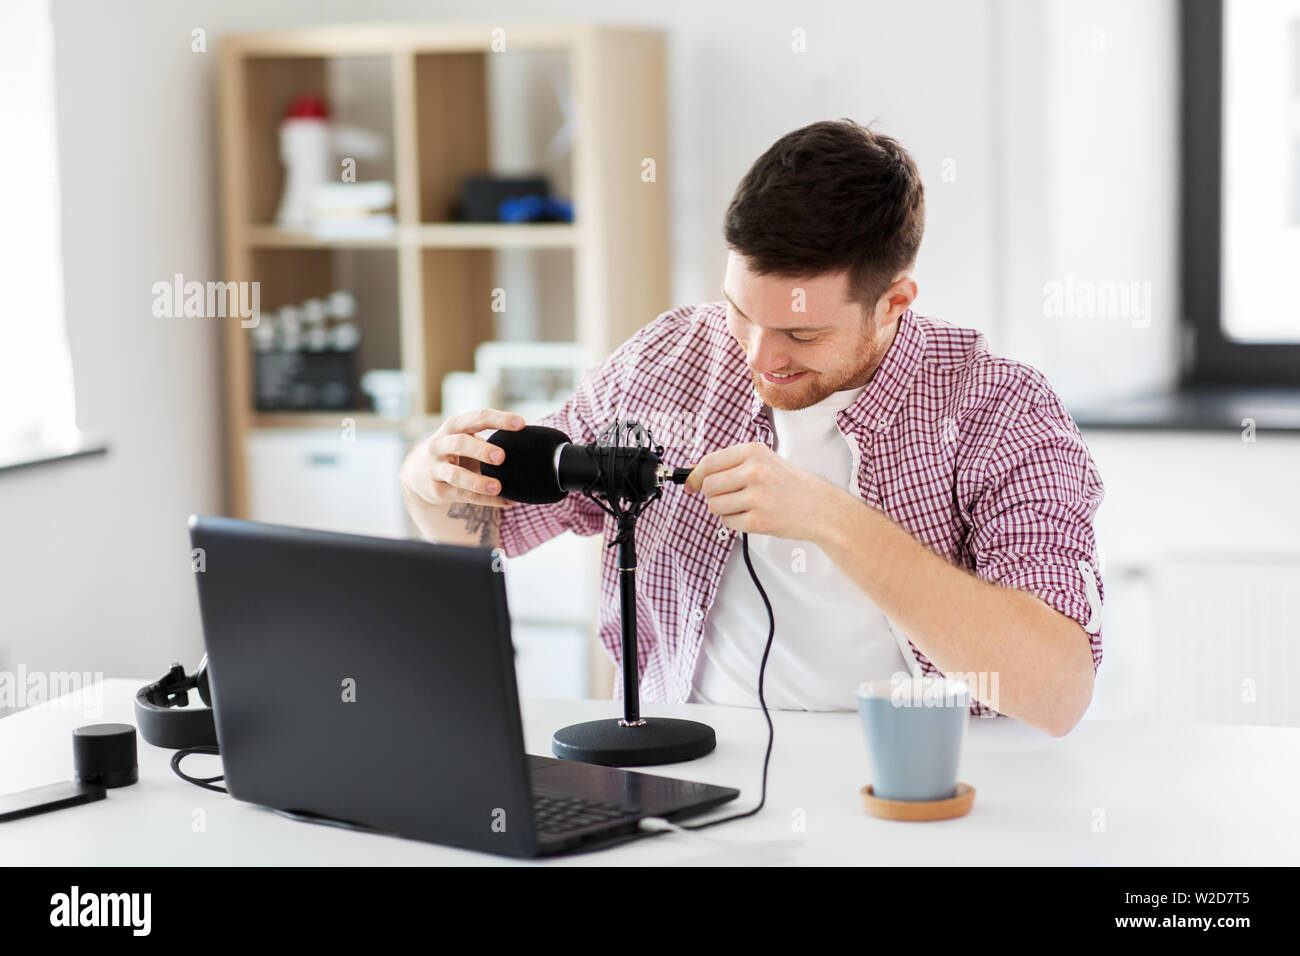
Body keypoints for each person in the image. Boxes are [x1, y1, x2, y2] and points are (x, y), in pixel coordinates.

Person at [401, 119, 1104, 736]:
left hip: (917, 779)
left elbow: (1056, 690)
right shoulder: (669, 358)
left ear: (893, 303)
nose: (758, 357)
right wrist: (428, 480)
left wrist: (833, 521)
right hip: (695, 763)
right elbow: (492, 530)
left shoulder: (998, 406)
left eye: (801, 331)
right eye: (740, 311)